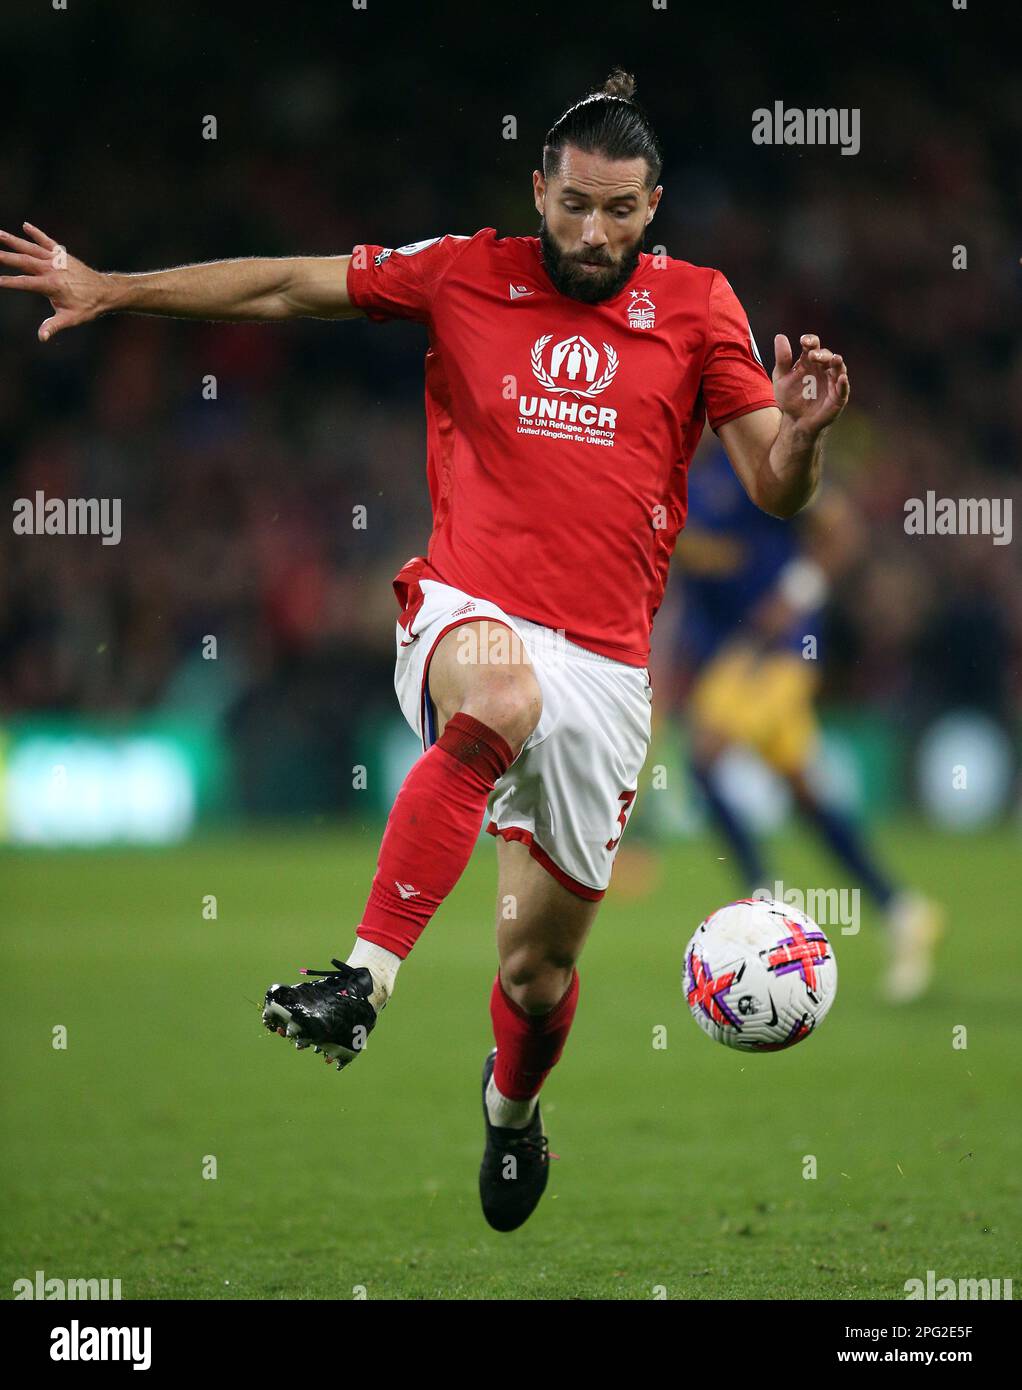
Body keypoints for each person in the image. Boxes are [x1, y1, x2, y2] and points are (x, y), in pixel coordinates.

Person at [0, 68, 850, 1232]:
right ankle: (363, 976)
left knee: (532, 978)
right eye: (571, 205)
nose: (591, 231)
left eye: (618, 211)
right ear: (536, 188)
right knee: (496, 689)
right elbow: (293, 287)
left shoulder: (700, 306)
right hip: (469, 606)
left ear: (651, 207)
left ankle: (509, 1112)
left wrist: (799, 437)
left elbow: (773, 485)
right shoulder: (465, 271)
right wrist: (116, 288)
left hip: (605, 669)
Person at [673, 440, 943, 1002]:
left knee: (704, 753)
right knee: (804, 794)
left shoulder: (749, 460)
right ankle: (902, 909)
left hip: (777, 649)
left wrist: (797, 594)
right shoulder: (673, 475)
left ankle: (761, 895)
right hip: (729, 653)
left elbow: (841, 527)